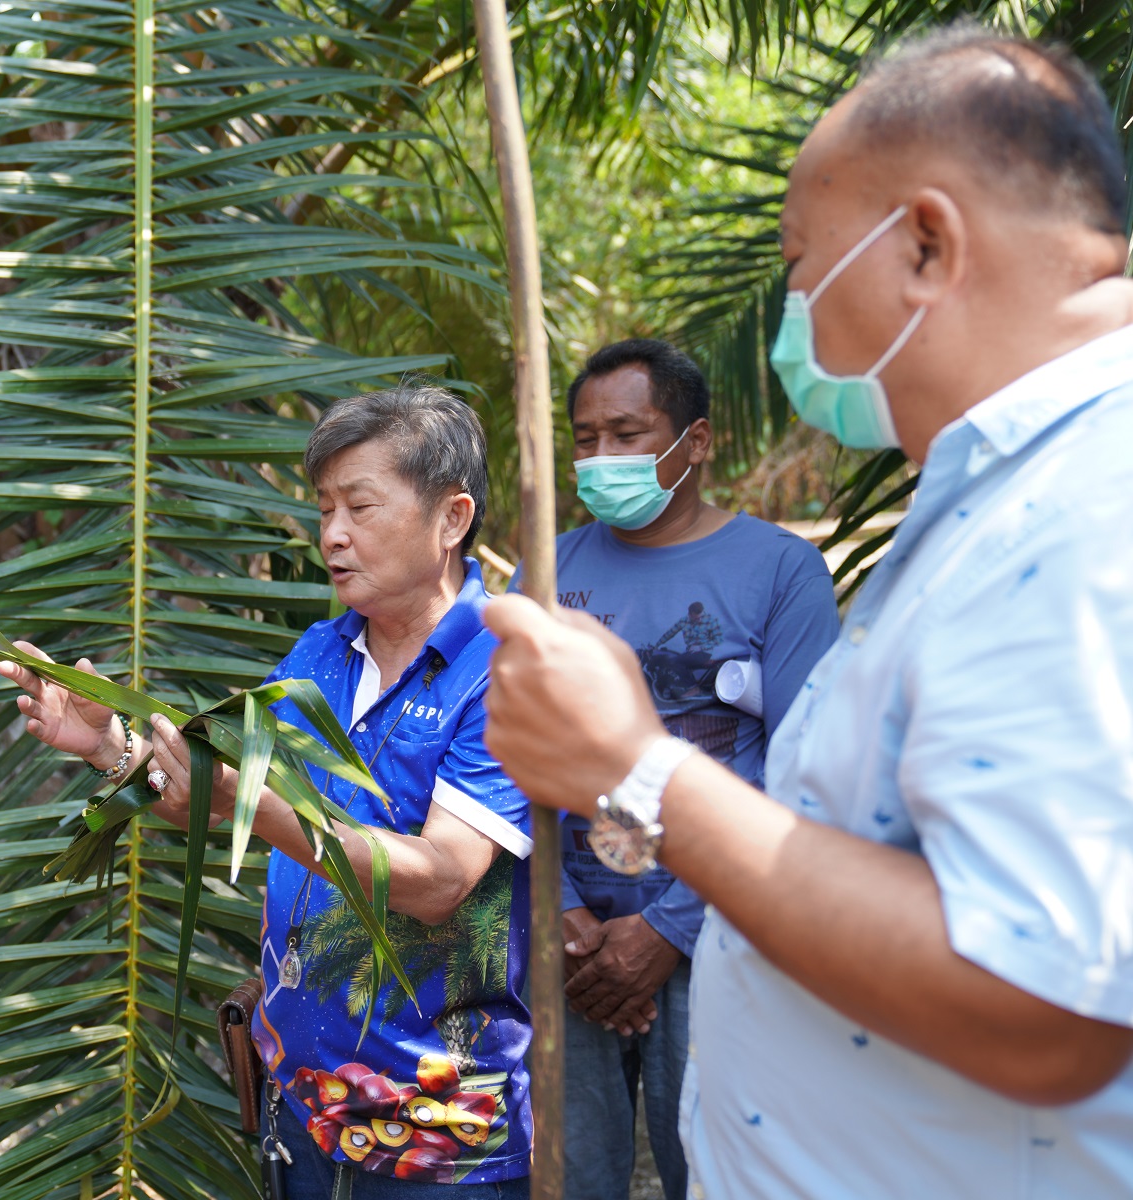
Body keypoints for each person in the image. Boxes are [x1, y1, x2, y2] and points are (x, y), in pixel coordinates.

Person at [482, 27, 1133, 1199]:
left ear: (926, 244)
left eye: (798, 265)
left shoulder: (1092, 506)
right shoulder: (998, 494)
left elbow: (1046, 1003)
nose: (792, 315)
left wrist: (638, 772)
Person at [1, 383, 532, 1194]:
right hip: (302, 1109)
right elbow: (201, 796)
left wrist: (250, 801)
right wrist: (109, 746)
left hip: (437, 1135)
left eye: (360, 506)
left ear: (452, 518)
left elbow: (441, 882)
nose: (333, 534)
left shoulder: (503, 669)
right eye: (324, 509)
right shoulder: (319, 653)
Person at [544, 339, 837, 1200]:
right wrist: (560, 907)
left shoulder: (780, 570)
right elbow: (502, 751)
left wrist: (669, 929)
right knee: (569, 1177)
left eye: (627, 434)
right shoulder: (545, 570)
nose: (601, 457)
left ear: (696, 441)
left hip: (720, 937)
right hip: (569, 949)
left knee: (717, 1176)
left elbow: (803, 769)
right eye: (586, 439)